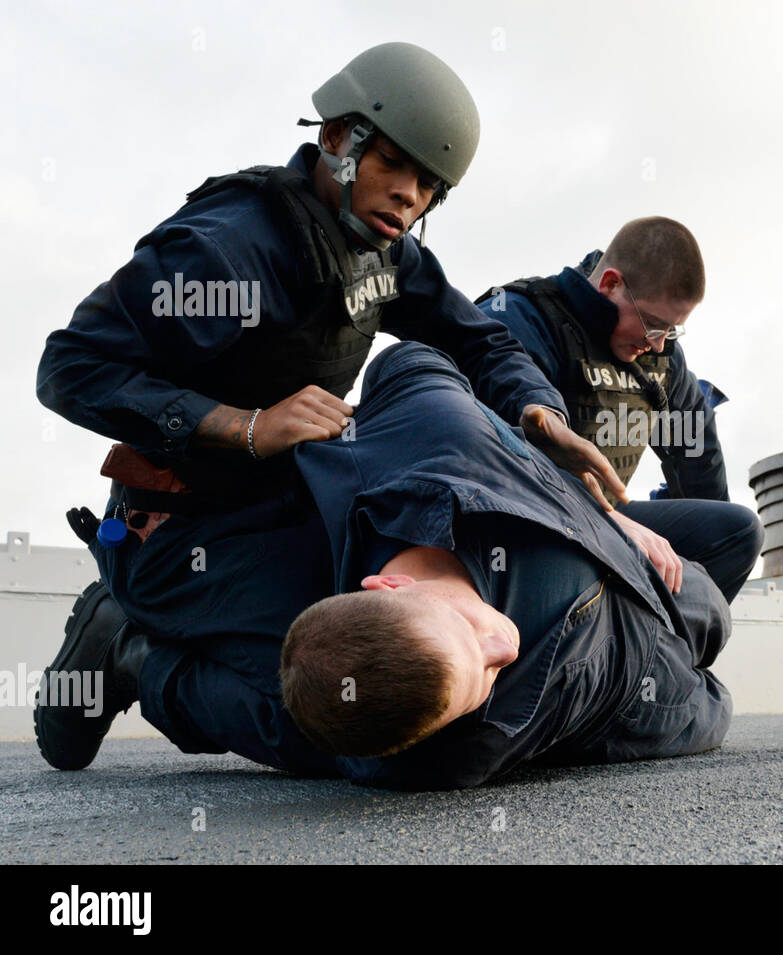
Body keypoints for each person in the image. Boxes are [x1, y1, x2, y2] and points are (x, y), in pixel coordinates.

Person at [33, 42, 625, 773]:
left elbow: (481, 340)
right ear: (339, 140)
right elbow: (68, 367)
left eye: (430, 184)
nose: (411, 196)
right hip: (182, 533)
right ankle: (128, 645)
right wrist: (245, 425)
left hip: (292, 511)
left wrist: (542, 415)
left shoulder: (382, 249)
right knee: (333, 720)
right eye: (396, 165)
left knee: (393, 689)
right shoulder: (227, 249)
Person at [280, 340, 732, 788]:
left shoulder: (435, 432)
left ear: (389, 584)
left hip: (636, 556)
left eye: (469, 633)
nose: (506, 650)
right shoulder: (472, 747)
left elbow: (412, 358)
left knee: (735, 541)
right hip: (641, 676)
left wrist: (553, 439)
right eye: (487, 680)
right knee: (715, 701)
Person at [474, 217, 762, 602]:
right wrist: (609, 523)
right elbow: (496, 462)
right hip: (525, 521)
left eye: (672, 331)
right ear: (610, 285)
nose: (658, 344)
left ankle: (664, 654)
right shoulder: (524, 318)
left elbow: (699, 465)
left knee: (737, 530)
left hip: (611, 523)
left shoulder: (662, 361)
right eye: (654, 325)